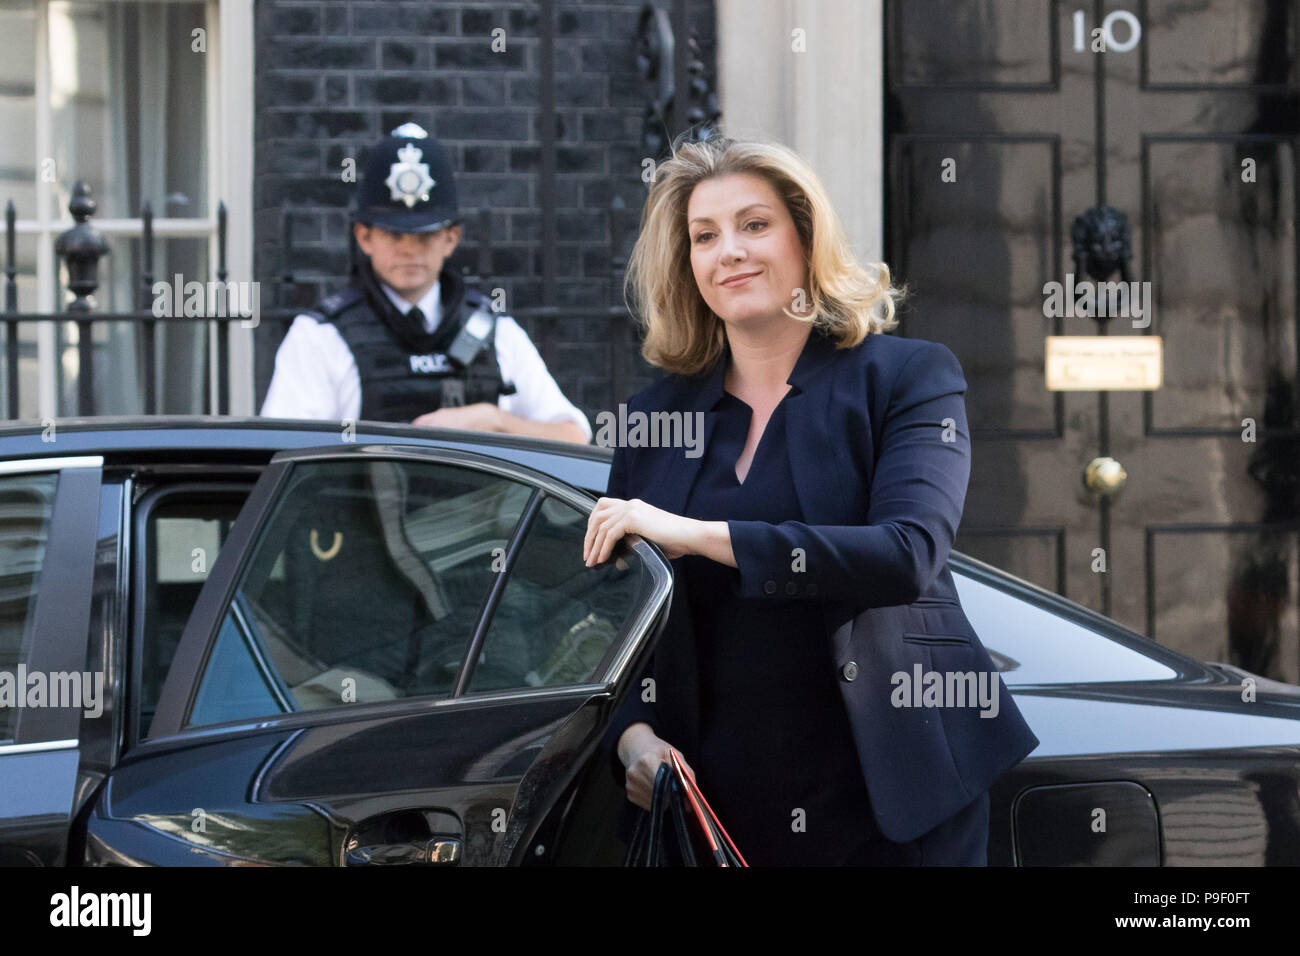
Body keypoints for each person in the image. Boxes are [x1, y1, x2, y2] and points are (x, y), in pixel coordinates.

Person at [583, 134, 1039, 866]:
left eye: (754, 225)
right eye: (705, 235)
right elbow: (616, 623)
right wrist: (633, 737)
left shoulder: (906, 377)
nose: (728, 250)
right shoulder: (655, 418)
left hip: (893, 799)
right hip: (719, 809)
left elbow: (905, 554)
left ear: (806, 237)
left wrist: (698, 534)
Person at [261, 122, 592, 444]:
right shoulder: (319, 338)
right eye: (394, 234)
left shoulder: (496, 332)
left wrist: (495, 420)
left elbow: (572, 436)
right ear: (364, 237)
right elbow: (282, 452)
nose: (408, 249)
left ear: (451, 238)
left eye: (425, 235)